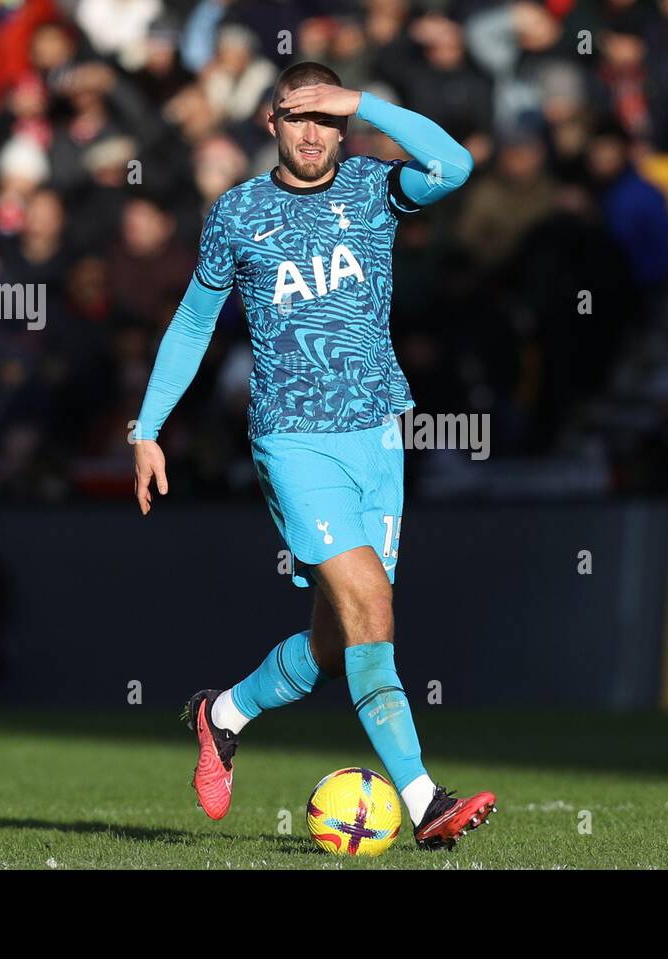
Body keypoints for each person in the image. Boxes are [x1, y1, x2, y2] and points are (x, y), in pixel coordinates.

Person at [130, 61, 496, 850]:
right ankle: (427, 798)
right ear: (271, 124)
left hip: (377, 435)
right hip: (293, 438)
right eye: (297, 117)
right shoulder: (238, 214)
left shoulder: (373, 187)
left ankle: (221, 713)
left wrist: (366, 103)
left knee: (338, 646)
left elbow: (456, 166)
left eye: (325, 118)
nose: (312, 132)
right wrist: (147, 427)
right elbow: (193, 324)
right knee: (372, 609)